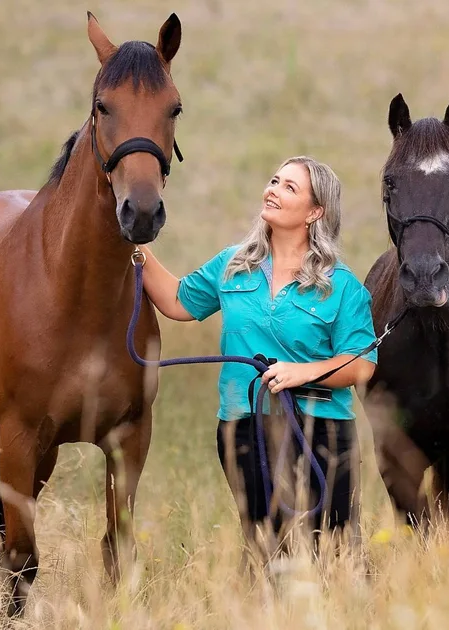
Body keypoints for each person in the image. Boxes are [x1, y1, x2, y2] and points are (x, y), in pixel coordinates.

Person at [137, 156, 378, 564]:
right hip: (242, 428)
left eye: (289, 187)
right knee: (266, 548)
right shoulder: (233, 265)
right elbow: (177, 301)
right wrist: (132, 242)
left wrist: (301, 373)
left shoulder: (342, 286)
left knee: (333, 554)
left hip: (323, 432)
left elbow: (362, 365)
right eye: (273, 180)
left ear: (315, 212)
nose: (273, 190)